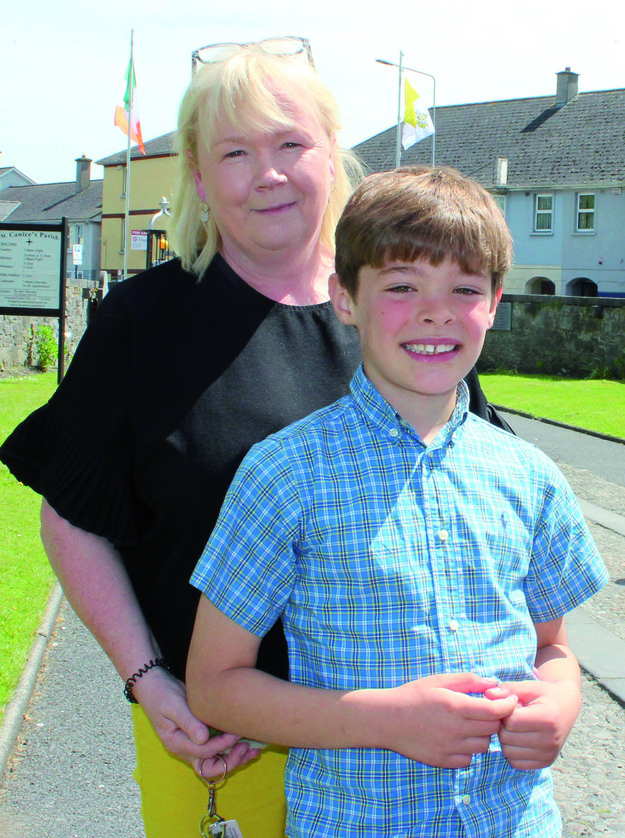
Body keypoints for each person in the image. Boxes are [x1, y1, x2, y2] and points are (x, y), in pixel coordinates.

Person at [0, 41, 508, 836]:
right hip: (220, 744)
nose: (267, 174)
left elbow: (484, 502)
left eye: (289, 143)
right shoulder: (142, 323)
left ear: (331, 154)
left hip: (400, 758)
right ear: (200, 177)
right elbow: (74, 517)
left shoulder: (401, 310)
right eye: (235, 152)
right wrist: (150, 680)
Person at [186, 166, 608, 837]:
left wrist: (558, 704)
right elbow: (214, 685)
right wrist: (387, 721)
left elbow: (551, 647)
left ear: (494, 303)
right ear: (344, 298)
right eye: (402, 285)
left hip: (514, 820)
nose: (435, 311)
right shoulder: (285, 472)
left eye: (464, 288)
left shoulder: (529, 474)